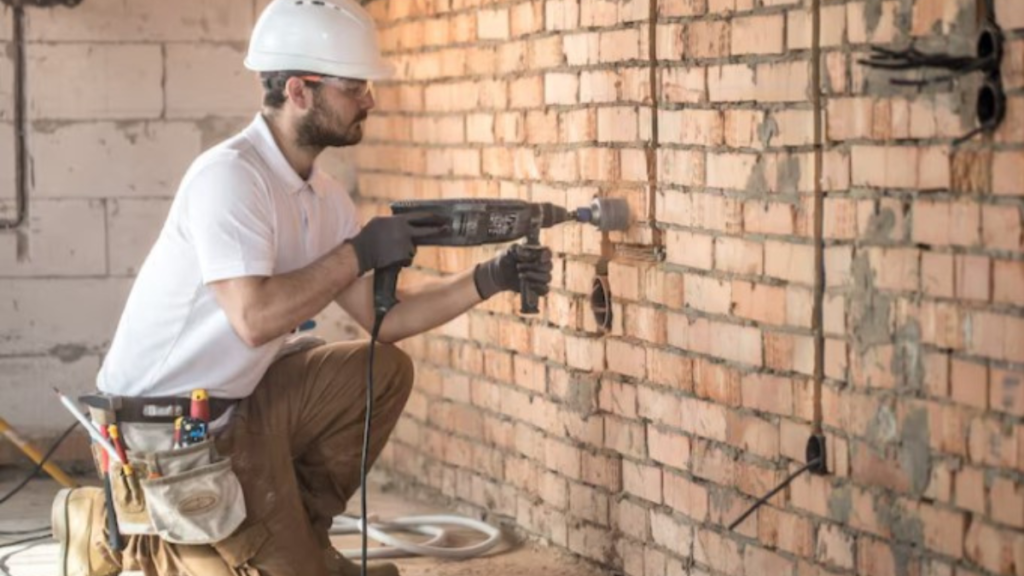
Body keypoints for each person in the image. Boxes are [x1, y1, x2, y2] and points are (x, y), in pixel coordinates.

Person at [51, 1, 552, 575]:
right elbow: (254, 319)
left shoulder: (325, 197)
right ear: (299, 91)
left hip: (243, 406)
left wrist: (490, 277)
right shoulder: (230, 178)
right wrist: (359, 252)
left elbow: (386, 319)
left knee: (383, 370)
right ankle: (111, 529)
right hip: (161, 433)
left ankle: (302, 538)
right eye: (355, 87)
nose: (369, 100)